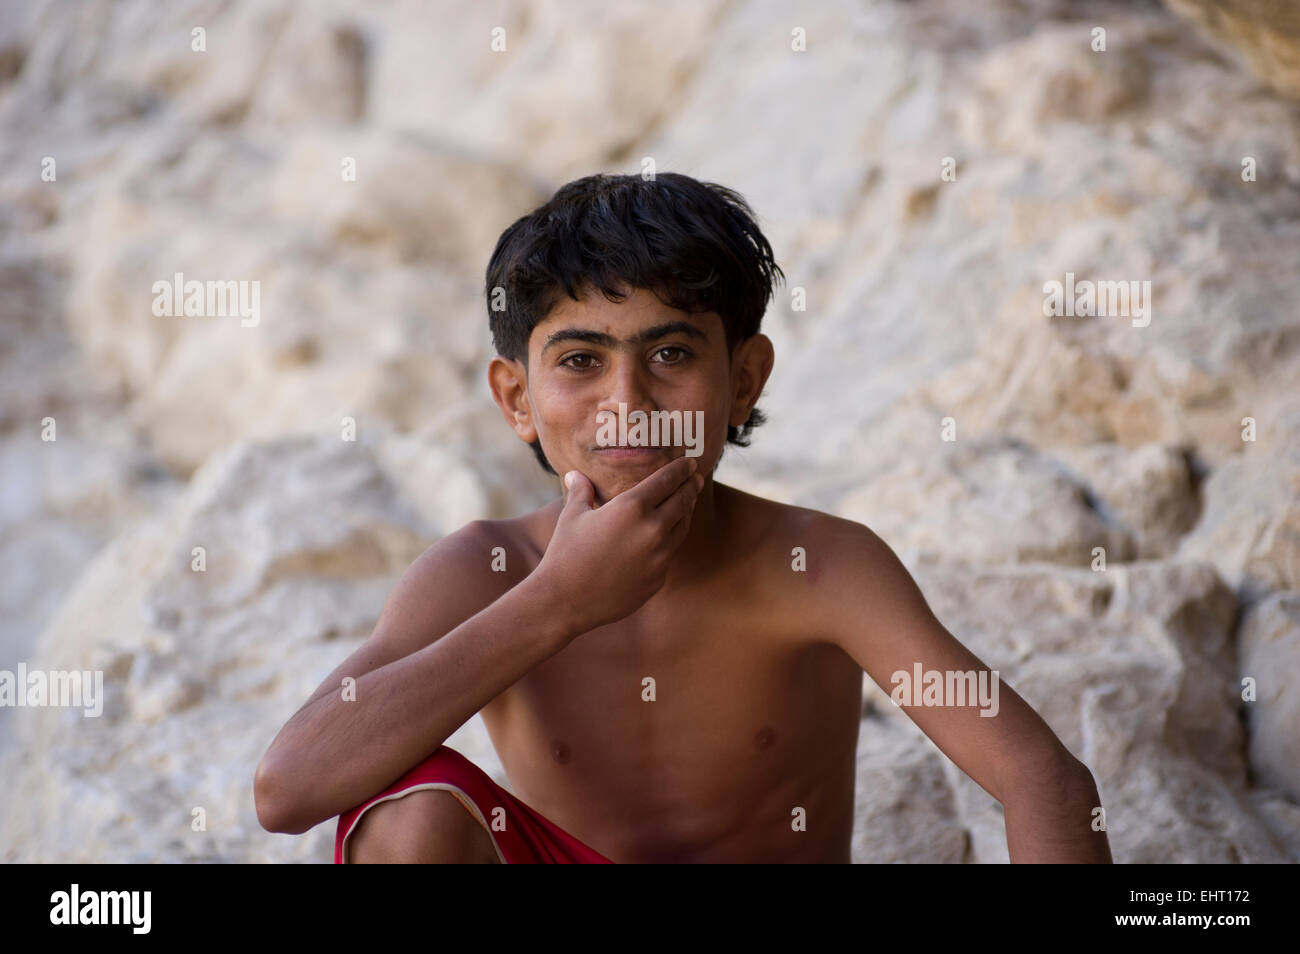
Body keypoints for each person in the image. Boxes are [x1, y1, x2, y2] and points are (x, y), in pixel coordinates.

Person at [254, 172, 1113, 863]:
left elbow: (1043, 782)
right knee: (412, 820)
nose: (626, 404)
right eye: (581, 361)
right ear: (517, 398)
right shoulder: (487, 572)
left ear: (743, 380)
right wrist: (559, 603)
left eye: (670, 354)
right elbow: (289, 789)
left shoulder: (820, 568)